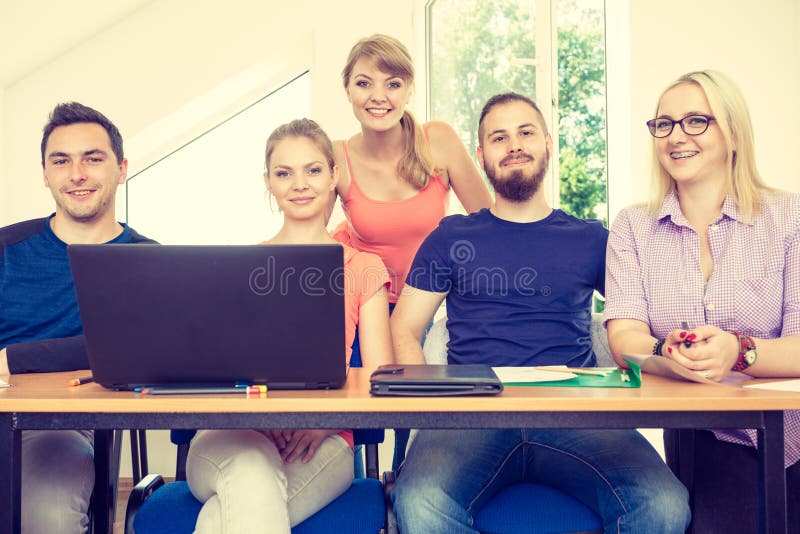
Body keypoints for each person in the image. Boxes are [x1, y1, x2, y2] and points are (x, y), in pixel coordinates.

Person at [390, 92, 690, 534]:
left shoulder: (592, 238)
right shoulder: (452, 236)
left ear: (548, 144)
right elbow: (405, 327)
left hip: (574, 413)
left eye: (526, 133)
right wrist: (431, 410)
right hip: (472, 416)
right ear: (481, 156)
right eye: (499, 137)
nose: (514, 145)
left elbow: (640, 320)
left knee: (664, 504)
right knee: (418, 502)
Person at [604, 69, 800, 533]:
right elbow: (625, 335)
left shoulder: (789, 217)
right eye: (664, 124)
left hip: (790, 433)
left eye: (696, 120)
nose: (676, 136)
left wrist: (739, 350)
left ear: (733, 132)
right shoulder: (633, 226)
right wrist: (662, 350)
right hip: (706, 438)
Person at [185, 119, 393, 533]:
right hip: (233, 435)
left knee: (224, 514)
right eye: (284, 173)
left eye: (313, 170)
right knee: (250, 472)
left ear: (333, 175)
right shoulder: (239, 267)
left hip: (323, 441)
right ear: (268, 182)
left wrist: (321, 422)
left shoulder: (364, 267)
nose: (300, 184)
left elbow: (380, 379)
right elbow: (218, 368)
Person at [334, 33, 492, 467]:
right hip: (367, 302)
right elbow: (310, 233)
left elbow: (487, 223)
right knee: (358, 402)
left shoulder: (437, 140)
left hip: (425, 301)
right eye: (364, 83)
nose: (378, 96)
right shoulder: (337, 156)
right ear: (347, 89)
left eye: (393, 83)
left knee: (416, 403)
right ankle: (357, 480)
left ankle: (406, 475)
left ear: (408, 88)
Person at [0, 102, 154, 532]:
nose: (77, 174)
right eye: (61, 161)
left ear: (121, 169)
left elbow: (128, 351)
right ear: (45, 173)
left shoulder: (150, 263)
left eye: (93, 158)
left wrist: (12, 358)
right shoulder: (6, 250)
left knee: (47, 514)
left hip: (56, 424)